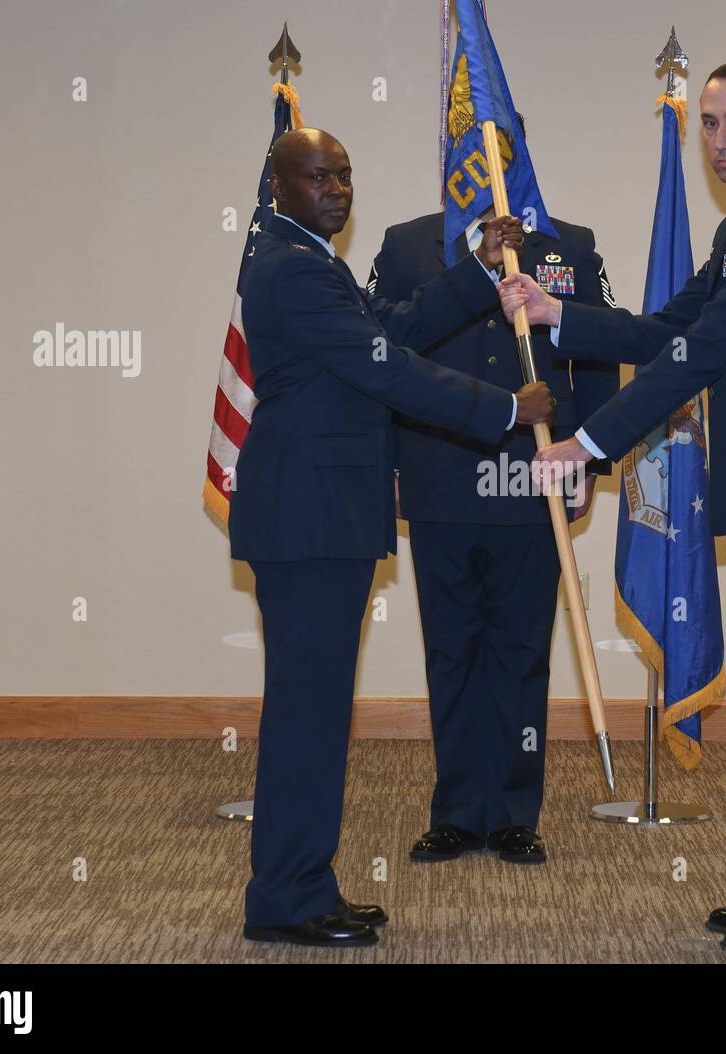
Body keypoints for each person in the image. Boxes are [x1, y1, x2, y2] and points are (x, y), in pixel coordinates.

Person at [497, 59, 726, 954]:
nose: (720, 140)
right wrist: (561, 313)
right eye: (709, 124)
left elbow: (697, 356)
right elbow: (669, 328)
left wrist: (588, 444)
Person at [229, 127, 554, 948]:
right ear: (279, 185)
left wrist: (479, 270)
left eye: (345, 175)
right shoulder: (291, 266)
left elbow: (396, 325)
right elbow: (387, 366)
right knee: (308, 711)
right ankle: (288, 896)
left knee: (314, 707)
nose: (336, 189)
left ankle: (300, 883)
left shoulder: (307, 256)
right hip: (309, 516)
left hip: (320, 514)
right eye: (317, 176)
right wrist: (504, 410)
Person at [367, 185, 618, 866]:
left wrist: (588, 459)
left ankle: (511, 811)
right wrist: (387, 464)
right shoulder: (406, 243)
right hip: (439, 470)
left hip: (532, 474)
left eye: (501, 147)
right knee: (451, 651)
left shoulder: (571, 242)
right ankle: (454, 810)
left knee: (520, 649)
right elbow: (380, 356)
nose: (486, 165)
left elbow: (594, 359)